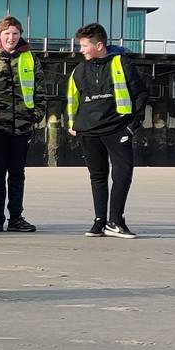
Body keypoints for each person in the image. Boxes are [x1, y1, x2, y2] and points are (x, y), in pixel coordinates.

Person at [67, 23, 149, 239]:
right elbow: (72, 98)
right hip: (88, 131)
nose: (81, 50)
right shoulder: (79, 70)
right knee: (98, 176)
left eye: (85, 45)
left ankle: (116, 221)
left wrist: (133, 125)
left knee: (123, 174)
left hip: (117, 128)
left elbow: (140, 94)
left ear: (99, 45)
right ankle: (99, 221)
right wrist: (73, 124)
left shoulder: (121, 63)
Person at [0, 16, 44, 233]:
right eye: (7, 33)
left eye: (15, 33)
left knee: (17, 174)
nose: (11, 37)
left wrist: (37, 112)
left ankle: (16, 217)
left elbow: (39, 87)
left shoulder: (29, 58)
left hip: (22, 126)